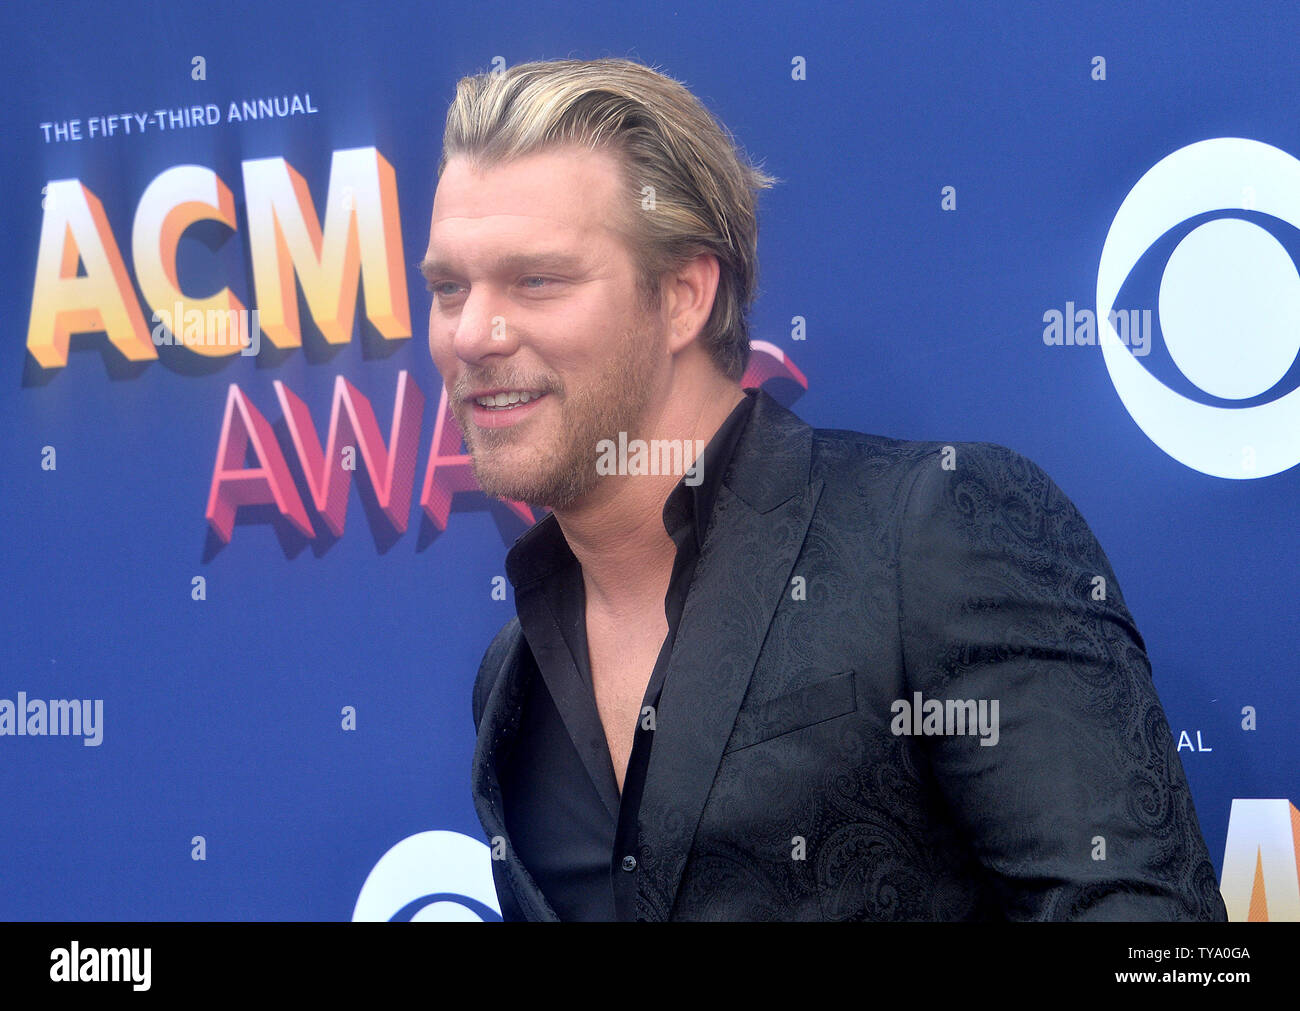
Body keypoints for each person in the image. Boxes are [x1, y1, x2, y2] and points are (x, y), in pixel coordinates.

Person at [423, 57, 1227, 921]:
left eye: (536, 279)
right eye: (448, 288)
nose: (472, 333)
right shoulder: (512, 677)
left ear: (685, 295)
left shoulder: (931, 535)